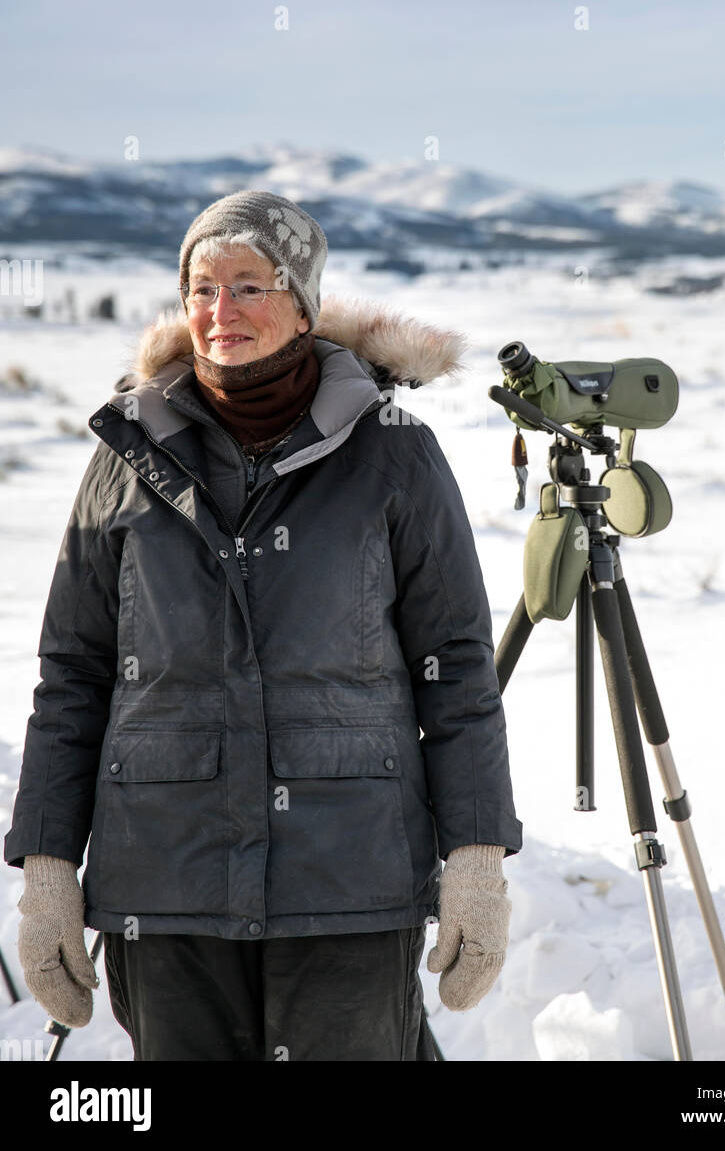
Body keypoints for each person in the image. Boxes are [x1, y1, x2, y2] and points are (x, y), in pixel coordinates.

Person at [4, 190, 523, 1061]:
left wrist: (477, 855)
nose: (220, 312)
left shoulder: (392, 451)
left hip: (350, 886)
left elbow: (457, 668)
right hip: (164, 887)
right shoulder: (127, 457)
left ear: (303, 302)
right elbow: (75, 675)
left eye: (250, 285)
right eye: (201, 288)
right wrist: (49, 869)